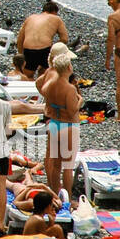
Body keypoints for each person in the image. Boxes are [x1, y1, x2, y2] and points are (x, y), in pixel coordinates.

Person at [38, 43, 82, 199]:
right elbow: (72, 112)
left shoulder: (50, 82)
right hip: (68, 125)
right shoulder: (69, 88)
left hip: (54, 122)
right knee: (68, 166)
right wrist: (80, 101)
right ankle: (68, 198)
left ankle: (55, 196)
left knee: (55, 164)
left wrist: (49, 104)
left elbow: (41, 87)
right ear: (68, 67)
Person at [16, 0, 68, 77]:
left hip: (28, 50)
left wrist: (21, 54)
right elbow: (64, 39)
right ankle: (42, 75)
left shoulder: (30, 18)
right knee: (46, 75)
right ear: (55, 12)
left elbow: (20, 39)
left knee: (27, 77)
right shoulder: (56, 18)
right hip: (45, 50)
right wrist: (53, 49)